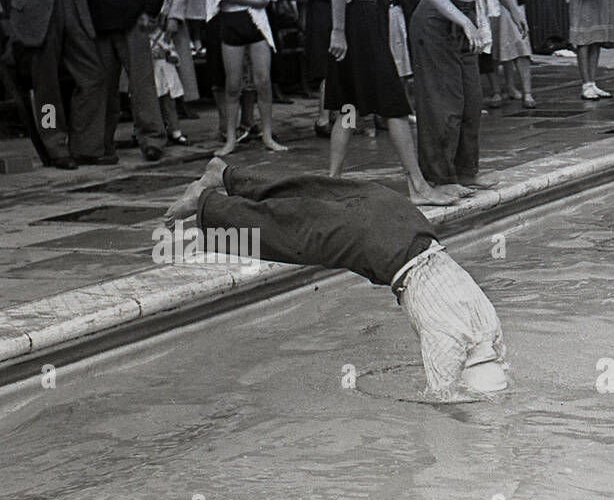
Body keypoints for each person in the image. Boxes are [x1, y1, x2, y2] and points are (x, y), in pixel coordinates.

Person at [164, 158, 509, 402]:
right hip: (375, 243)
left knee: (312, 196)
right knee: (291, 234)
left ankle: (225, 174)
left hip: (402, 217)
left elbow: (497, 363)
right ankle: (206, 203)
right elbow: (441, 398)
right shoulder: (447, 342)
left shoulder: (489, 324)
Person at [330, 0, 449, 204]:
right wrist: (338, 30)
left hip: (365, 14)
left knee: (349, 105)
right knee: (394, 103)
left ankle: (333, 181)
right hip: (362, 17)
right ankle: (417, 186)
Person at [0, 0, 109, 168]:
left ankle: (86, 146)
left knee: (93, 74)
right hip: (35, 9)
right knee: (46, 85)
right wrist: (17, 12)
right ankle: (55, 146)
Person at [411, 0, 501, 195]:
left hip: (463, 20)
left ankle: (466, 171)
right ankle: (440, 177)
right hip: (436, 23)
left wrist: (511, 9)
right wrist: (465, 23)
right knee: (445, 103)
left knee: (472, 100)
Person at [78, 0, 169, 162]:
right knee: (103, 88)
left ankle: (152, 140)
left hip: (132, 21)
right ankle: (103, 144)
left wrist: (149, 11)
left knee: (141, 84)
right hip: (100, 24)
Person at [206, 0, 290, 154]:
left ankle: (268, 135)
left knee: (263, 80)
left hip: (256, 19)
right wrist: (255, 0)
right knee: (233, 85)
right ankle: (231, 138)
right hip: (232, 20)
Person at [296, 0, 338, 137]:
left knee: (344, 66)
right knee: (327, 65)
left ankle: (346, 121)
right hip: (323, 10)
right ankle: (323, 119)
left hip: (344, 6)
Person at [489, 0, 536, 106]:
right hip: (490, 1)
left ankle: (526, 92)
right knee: (493, 45)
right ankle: (497, 91)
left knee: (519, 42)